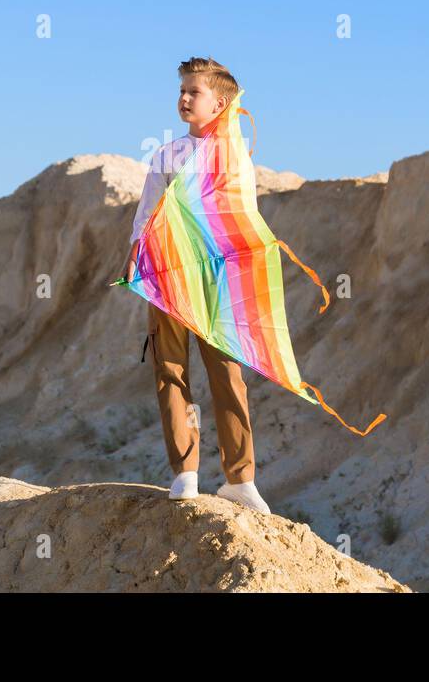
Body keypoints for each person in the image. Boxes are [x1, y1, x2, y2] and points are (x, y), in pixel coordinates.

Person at [121, 56, 270, 514]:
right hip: (166, 272)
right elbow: (146, 215)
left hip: (216, 279)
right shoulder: (167, 154)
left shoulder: (234, 158)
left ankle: (240, 480)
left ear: (219, 102)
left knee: (227, 374)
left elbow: (242, 221)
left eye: (194, 92)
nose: (184, 99)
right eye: (181, 90)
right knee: (170, 369)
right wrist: (134, 259)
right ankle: (185, 473)